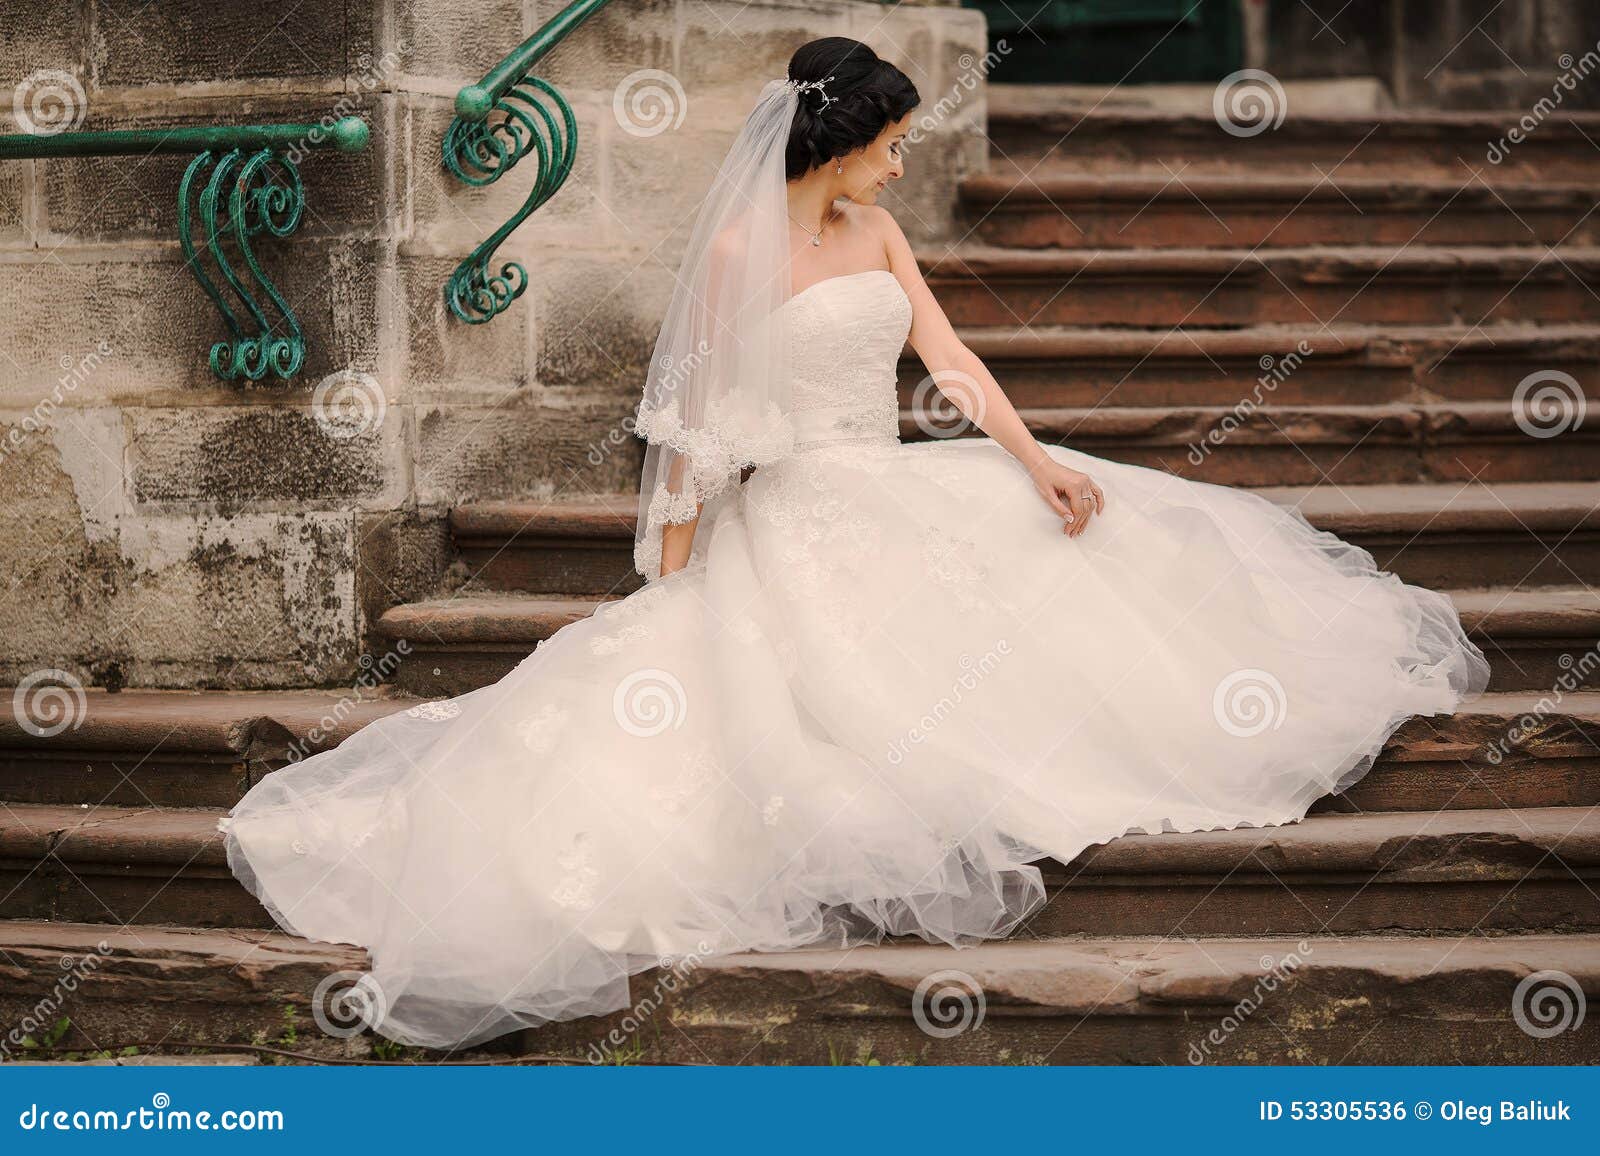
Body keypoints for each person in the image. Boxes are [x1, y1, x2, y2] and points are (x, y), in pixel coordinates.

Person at [221, 37, 1488, 1049]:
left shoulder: (879, 235)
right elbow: (695, 425)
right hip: (796, 505)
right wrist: (665, 573)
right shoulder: (734, 252)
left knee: (1083, 559)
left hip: (897, 477)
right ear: (840, 141)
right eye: (890, 143)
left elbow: (949, 358)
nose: (899, 166)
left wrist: (1037, 462)